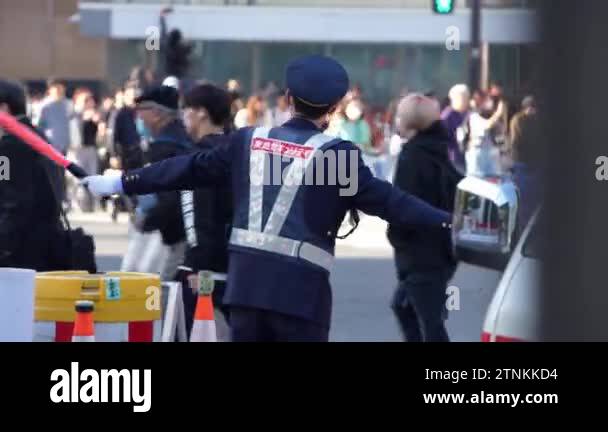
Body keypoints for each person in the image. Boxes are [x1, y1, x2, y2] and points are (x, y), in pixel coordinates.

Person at [83, 55, 452, 342]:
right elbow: (393, 204)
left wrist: (120, 183)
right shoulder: (337, 157)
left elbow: (186, 168)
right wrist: (448, 220)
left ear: (288, 99)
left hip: (246, 292)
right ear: (335, 108)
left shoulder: (247, 142)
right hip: (302, 297)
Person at [388, 94, 462, 342]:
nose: (395, 120)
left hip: (420, 252)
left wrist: (397, 237)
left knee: (431, 325)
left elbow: (401, 204)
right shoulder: (438, 150)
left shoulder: (412, 156)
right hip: (439, 249)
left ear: (410, 123)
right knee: (404, 306)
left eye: (399, 116)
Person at [177, 83, 233, 339]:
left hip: (205, 269)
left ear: (201, 113)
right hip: (239, 264)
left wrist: (197, 266)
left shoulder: (199, 158)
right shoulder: (238, 151)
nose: (183, 117)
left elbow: (195, 217)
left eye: (186, 110)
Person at [0, 80, 66, 271]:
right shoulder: (38, 137)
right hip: (45, 244)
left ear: (4, 108)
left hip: (20, 253)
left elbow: (12, 204)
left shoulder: (10, 146)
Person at [128, 84, 192, 281]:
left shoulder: (165, 147)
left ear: (156, 113)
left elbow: (170, 198)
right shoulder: (184, 138)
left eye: (142, 111)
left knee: (161, 296)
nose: (139, 118)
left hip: (180, 236)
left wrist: (146, 221)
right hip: (187, 233)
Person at [441, 84, 470, 173]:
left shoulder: (467, 114)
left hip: (464, 158)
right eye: (463, 98)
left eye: (467, 98)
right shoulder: (446, 116)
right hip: (451, 158)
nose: (466, 101)